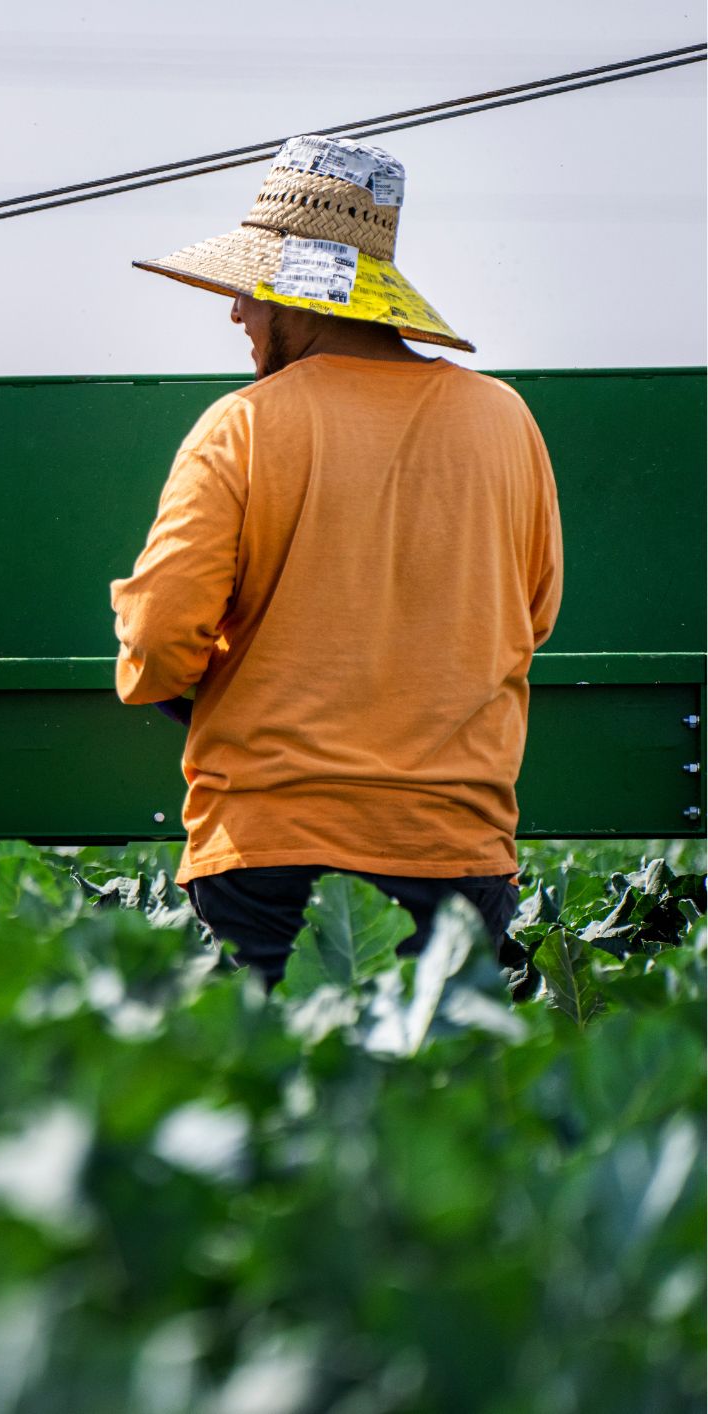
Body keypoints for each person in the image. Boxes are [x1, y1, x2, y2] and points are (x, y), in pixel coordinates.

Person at [112, 134, 564, 986]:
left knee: (288, 1109)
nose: (236, 314)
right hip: (457, 857)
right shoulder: (507, 423)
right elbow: (530, 618)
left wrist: (207, 689)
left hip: (269, 859)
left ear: (301, 299)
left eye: (250, 292)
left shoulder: (241, 427)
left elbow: (161, 639)